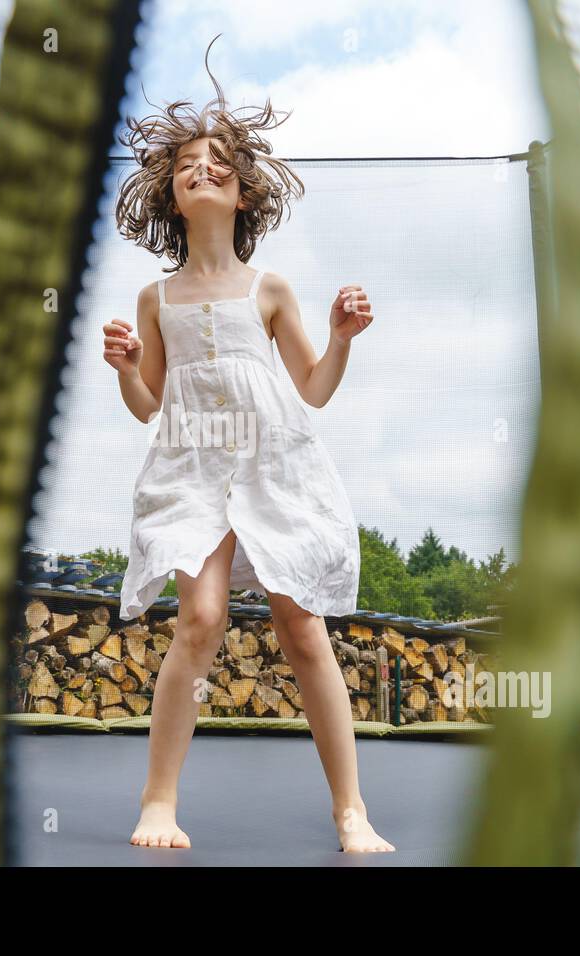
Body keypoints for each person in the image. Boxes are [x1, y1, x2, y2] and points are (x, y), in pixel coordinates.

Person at [102, 38, 391, 853]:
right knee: (199, 618)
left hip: (271, 459)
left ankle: (351, 810)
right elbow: (148, 405)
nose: (203, 167)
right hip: (192, 463)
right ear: (171, 189)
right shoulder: (156, 297)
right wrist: (126, 368)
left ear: (240, 190)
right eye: (188, 161)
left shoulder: (269, 287)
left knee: (302, 630)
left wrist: (340, 338)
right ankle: (159, 801)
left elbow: (314, 387)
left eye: (218, 160)